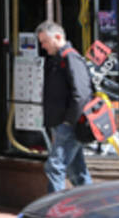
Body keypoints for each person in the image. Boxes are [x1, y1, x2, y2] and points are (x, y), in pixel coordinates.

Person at [37, 20, 93, 193]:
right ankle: (90, 206)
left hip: (68, 124)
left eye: (45, 41)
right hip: (62, 123)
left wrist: (68, 123)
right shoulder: (58, 59)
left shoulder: (70, 58)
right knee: (77, 172)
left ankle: (54, 210)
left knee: (55, 166)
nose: (43, 46)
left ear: (58, 37)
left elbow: (82, 94)